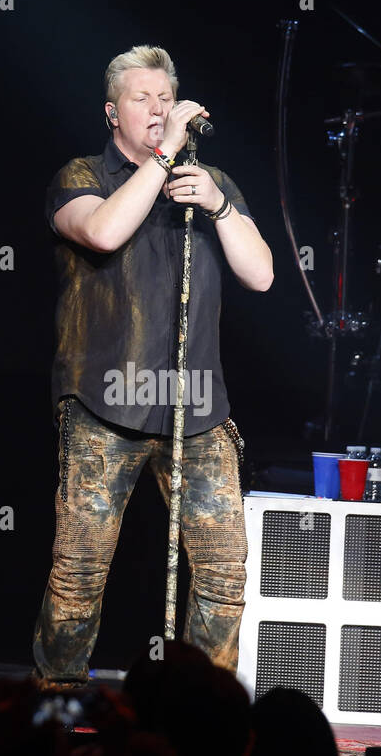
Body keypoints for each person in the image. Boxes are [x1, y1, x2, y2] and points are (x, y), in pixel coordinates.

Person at [32, 45, 273, 684]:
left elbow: (263, 275)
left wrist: (219, 206)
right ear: (113, 111)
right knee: (80, 568)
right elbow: (105, 232)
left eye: (167, 98)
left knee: (224, 572)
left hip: (196, 407)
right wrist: (162, 160)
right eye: (143, 99)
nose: (159, 109)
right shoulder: (79, 175)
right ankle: (54, 700)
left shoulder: (209, 182)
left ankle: (203, 710)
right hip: (102, 402)